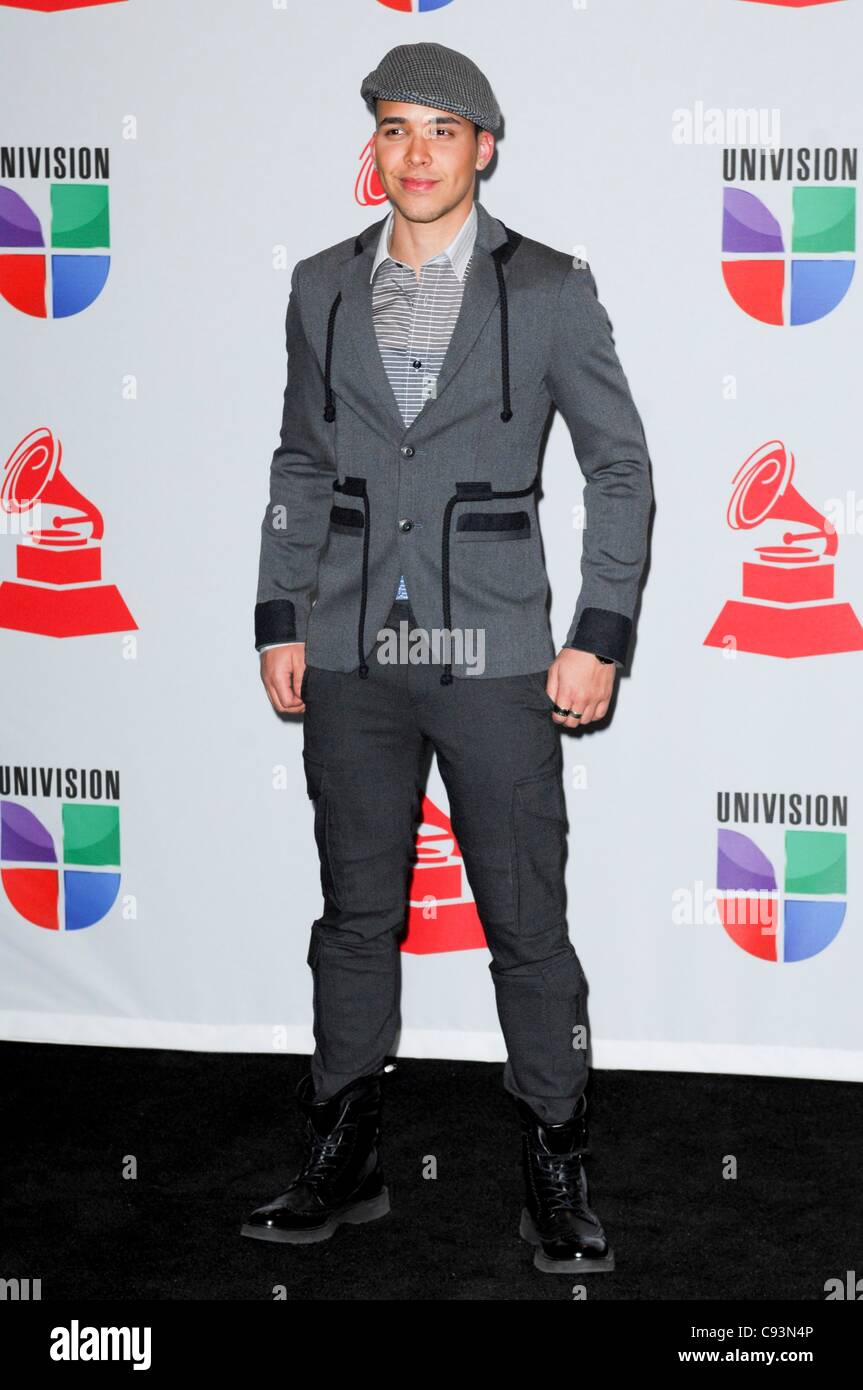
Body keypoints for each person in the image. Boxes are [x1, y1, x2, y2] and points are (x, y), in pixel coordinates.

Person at [241, 41, 653, 1275]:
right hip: (351, 650)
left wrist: (598, 634)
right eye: (394, 129)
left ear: (484, 146)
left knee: (525, 924)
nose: (414, 153)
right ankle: (344, 1157)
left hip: (499, 654)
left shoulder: (552, 291)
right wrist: (277, 612)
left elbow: (618, 468)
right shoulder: (318, 284)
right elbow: (299, 463)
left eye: (440, 130)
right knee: (354, 919)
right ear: (372, 146)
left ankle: (554, 1167)